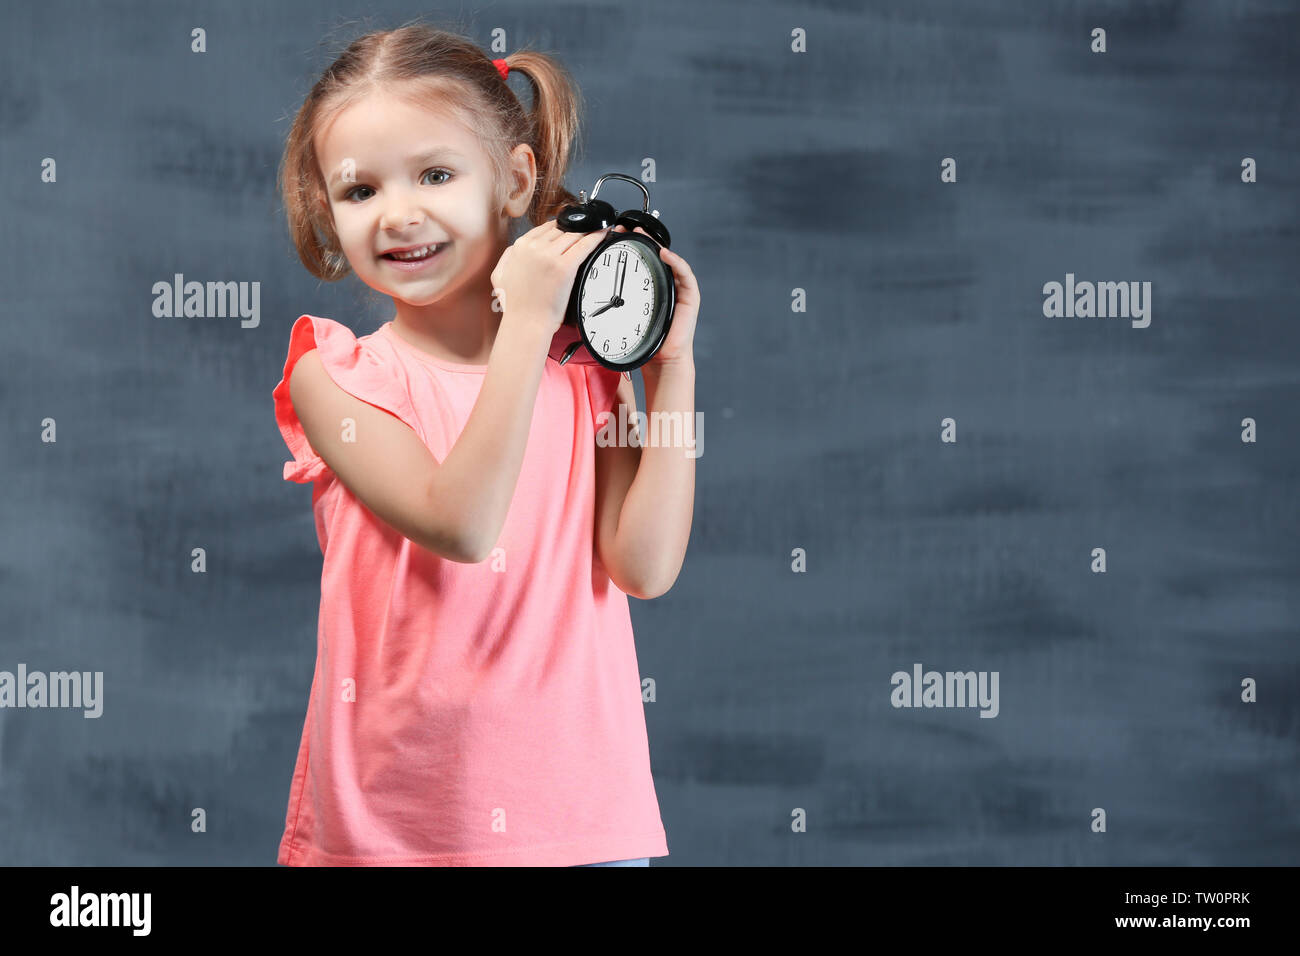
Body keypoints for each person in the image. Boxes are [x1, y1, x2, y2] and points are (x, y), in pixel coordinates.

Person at [270, 21, 699, 866]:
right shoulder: (339, 376)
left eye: (436, 174)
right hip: (396, 829)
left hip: (580, 820)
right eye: (360, 192)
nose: (400, 214)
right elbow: (463, 524)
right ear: (326, 206)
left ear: (514, 180)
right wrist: (530, 318)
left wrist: (671, 365)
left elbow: (643, 567)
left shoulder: (582, 372)